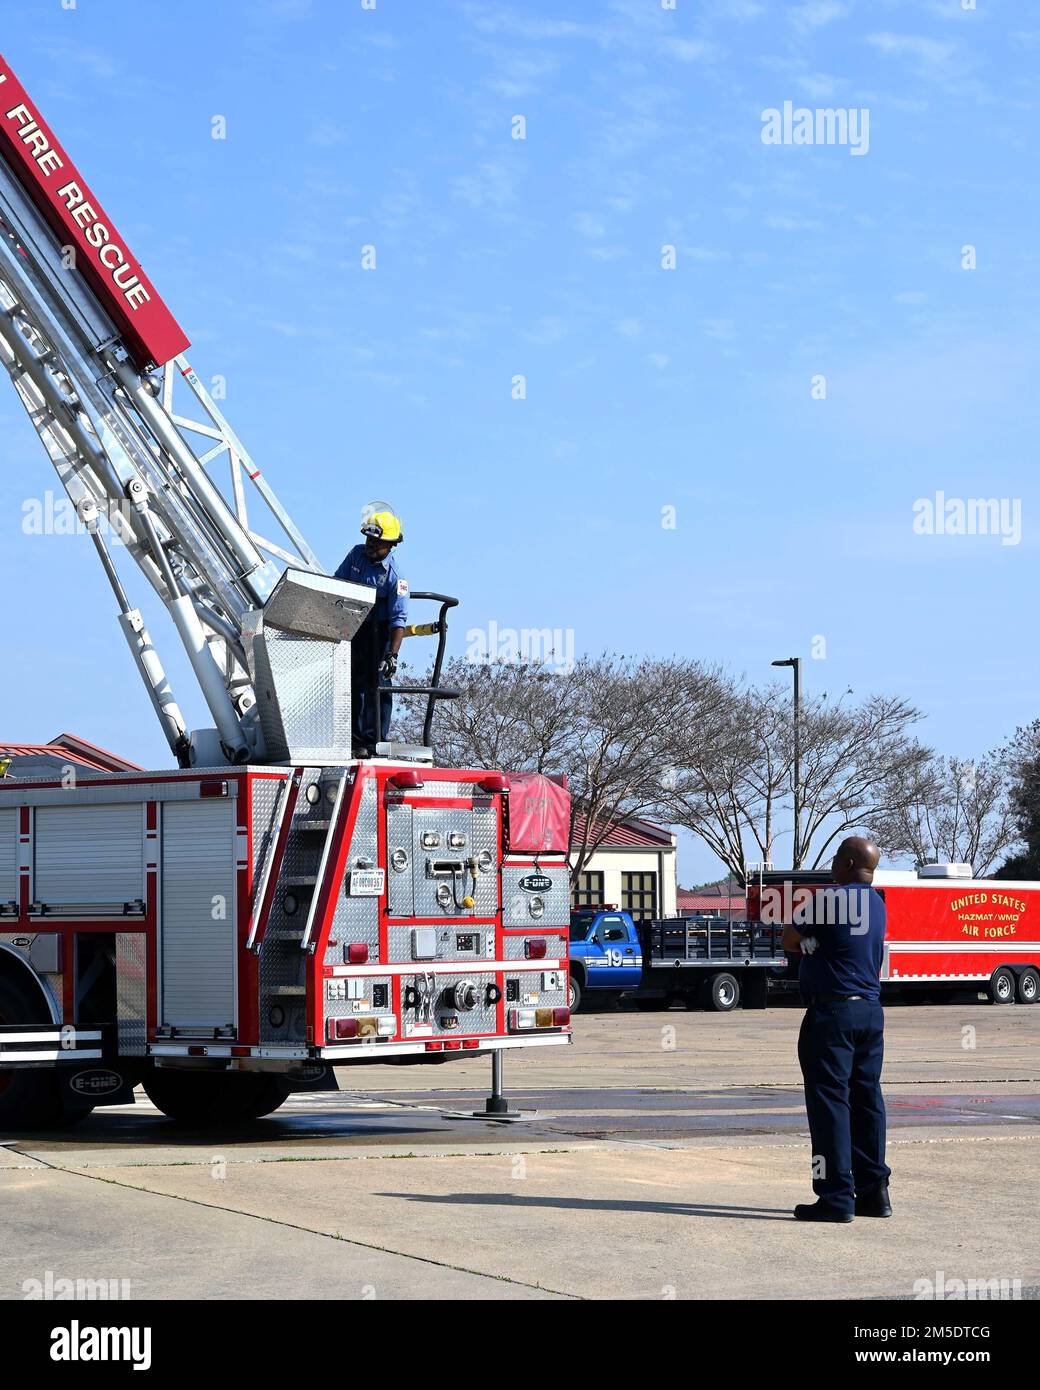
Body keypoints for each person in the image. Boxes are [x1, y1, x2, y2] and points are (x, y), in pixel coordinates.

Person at [781, 835, 892, 1223]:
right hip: (870, 1015)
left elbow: (789, 938)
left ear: (846, 864)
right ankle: (874, 1192)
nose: (831, 865)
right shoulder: (878, 905)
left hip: (833, 1016)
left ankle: (835, 1195)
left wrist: (812, 940)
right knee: (867, 1102)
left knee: (829, 1107)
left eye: (835, 859)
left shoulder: (829, 900)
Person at [334, 504, 409, 755]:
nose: (370, 546)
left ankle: (374, 739)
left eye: (377, 543)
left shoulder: (395, 576)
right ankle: (353, 740)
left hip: (381, 633)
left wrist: (392, 655)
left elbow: (399, 619)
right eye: (369, 540)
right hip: (355, 627)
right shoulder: (355, 555)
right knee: (351, 683)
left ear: (390, 545)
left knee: (377, 684)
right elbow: (338, 583)